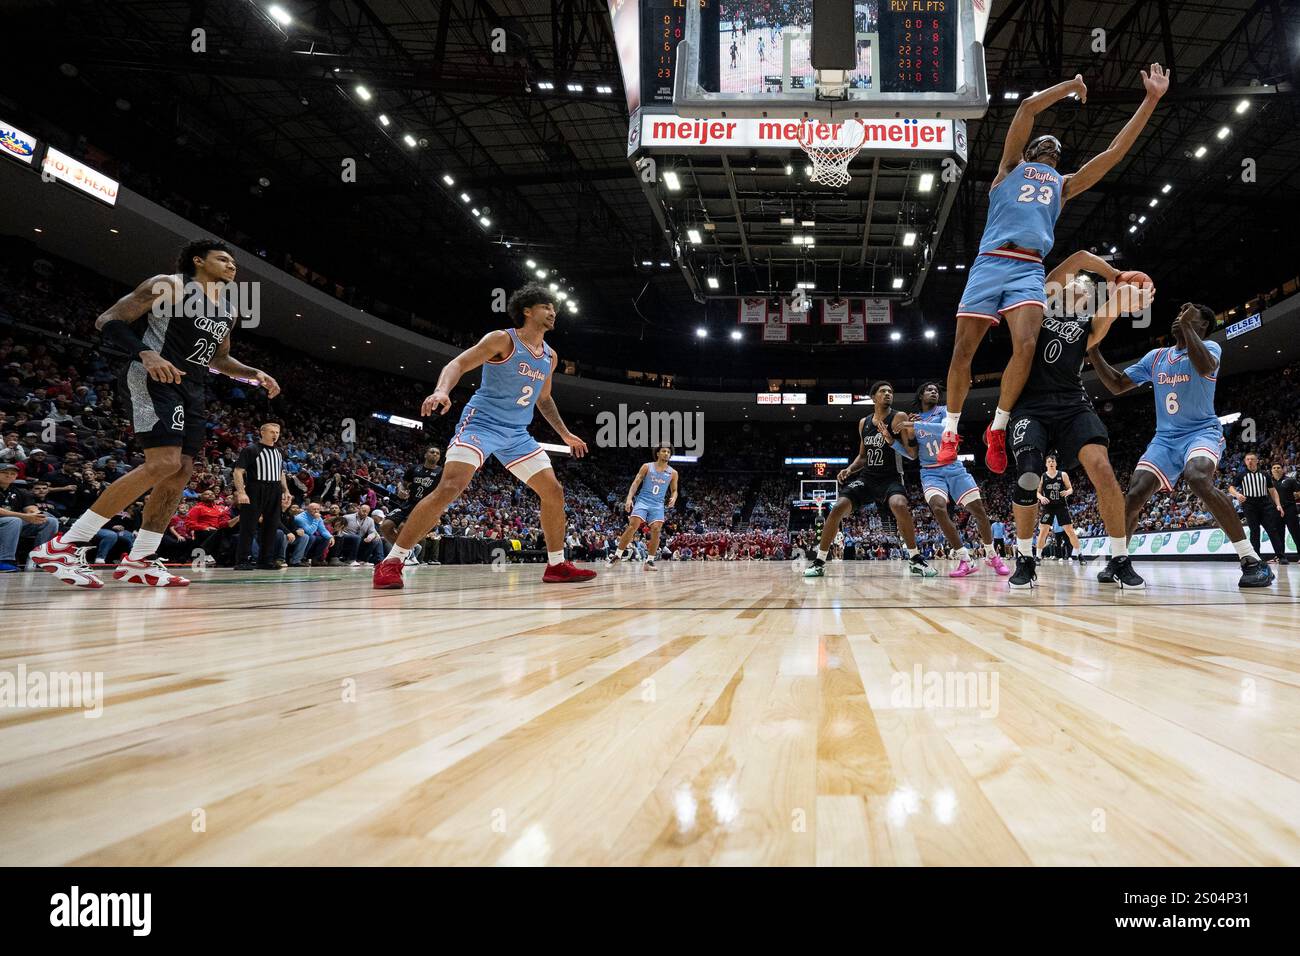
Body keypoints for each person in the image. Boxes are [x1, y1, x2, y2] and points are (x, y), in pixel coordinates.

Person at [938, 64, 1170, 474]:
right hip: (990, 261)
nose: (1051, 149)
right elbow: (1027, 108)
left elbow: (1113, 154)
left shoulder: (1063, 186)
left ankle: (998, 427)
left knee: (1026, 346)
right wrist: (1069, 87)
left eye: (1056, 150)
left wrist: (1150, 100)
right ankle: (951, 430)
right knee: (963, 351)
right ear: (1028, 153)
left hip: (1028, 267)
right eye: (1045, 145)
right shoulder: (1008, 170)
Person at [31, 239, 280, 588]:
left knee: (180, 472)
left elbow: (218, 358)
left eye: (234, 262)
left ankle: (140, 559)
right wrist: (146, 353)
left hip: (192, 388)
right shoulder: (169, 285)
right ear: (198, 260)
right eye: (222, 259)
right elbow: (109, 320)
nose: (231, 266)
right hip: (152, 378)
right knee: (163, 462)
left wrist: (253, 373)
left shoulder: (228, 308)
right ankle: (63, 545)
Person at [373, 284, 596, 588]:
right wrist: (442, 390)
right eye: (546, 306)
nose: (553, 312)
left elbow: (543, 399)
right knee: (451, 486)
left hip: (517, 434)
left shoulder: (550, 357)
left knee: (554, 492)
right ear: (527, 311)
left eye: (554, 308)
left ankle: (556, 565)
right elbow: (458, 364)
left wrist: (565, 433)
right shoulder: (502, 339)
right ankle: (393, 561)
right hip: (482, 425)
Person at [1089, 303, 1273, 587]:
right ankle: (1119, 558)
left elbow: (1205, 367)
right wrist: (1093, 351)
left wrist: (1187, 328)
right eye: (1179, 314)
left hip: (1201, 432)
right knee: (1135, 493)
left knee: (1198, 477)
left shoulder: (1211, 348)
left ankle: (1251, 559)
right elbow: (1116, 384)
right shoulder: (1157, 356)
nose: (1179, 316)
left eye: (1189, 316)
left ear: (1201, 326)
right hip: (1164, 439)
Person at [1005, 251, 1150, 590]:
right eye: (1077, 285)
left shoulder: (1090, 326)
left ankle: (1120, 556)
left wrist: (1126, 294)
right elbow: (1077, 259)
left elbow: (1113, 308)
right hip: (1031, 405)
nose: (1082, 287)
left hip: (1072, 403)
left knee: (1102, 468)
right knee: (1028, 476)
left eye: (1087, 288)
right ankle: (1025, 556)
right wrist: (1114, 273)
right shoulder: (1037, 309)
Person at [804, 381, 937, 578]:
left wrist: (911, 433)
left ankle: (915, 558)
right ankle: (820, 561)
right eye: (883, 391)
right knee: (838, 507)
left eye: (890, 391)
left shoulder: (898, 417)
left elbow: (912, 454)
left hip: (891, 477)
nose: (888, 394)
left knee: (899, 504)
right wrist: (849, 469)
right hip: (867, 478)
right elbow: (863, 456)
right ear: (873, 397)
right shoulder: (863, 423)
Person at [896, 382, 1011, 577]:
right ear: (920, 395)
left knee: (979, 511)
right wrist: (904, 436)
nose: (933, 392)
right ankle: (964, 558)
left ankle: (992, 555)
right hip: (930, 471)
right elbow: (913, 454)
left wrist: (914, 425)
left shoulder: (945, 411)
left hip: (953, 467)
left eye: (936, 390)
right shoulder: (913, 419)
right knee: (938, 508)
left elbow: (944, 430)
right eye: (929, 390)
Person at [608, 445, 678, 571]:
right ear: (658, 453)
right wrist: (629, 498)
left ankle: (649, 561)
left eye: (668, 452)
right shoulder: (647, 466)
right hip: (643, 501)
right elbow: (636, 482)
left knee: (656, 529)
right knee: (633, 525)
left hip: (658, 504)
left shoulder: (673, 473)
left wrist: (674, 497)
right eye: (664, 451)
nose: (666, 453)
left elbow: (674, 490)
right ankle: (617, 555)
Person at [233, 421, 291, 571]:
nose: (275, 435)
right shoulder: (251, 449)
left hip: (274, 489)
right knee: (249, 525)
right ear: (262, 433)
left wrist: (286, 490)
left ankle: (266, 560)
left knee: (271, 525)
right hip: (255, 487)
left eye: (277, 432)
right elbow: (238, 471)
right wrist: (241, 492)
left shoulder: (279, 452)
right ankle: (243, 560)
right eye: (272, 432)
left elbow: (280, 473)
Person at [1228, 452, 1287, 565]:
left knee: (1272, 530)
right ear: (1245, 462)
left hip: (1265, 504)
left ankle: (1281, 556)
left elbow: (1273, 491)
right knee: (1254, 532)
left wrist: (1278, 504)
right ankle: (1257, 557)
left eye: (1252, 459)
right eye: (1247, 459)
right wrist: (1237, 495)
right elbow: (1231, 488)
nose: (1250, 461)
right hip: (1249, 505)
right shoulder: (1241, 475)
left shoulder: (1265, 474)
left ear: (1257, 461)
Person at [0, 461, 59, 572]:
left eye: (12, 473)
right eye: (4, 473)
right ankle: (4, 560)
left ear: (16, 476)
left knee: (49, 521)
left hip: (12, 524)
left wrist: (35, 514)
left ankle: (38, 559)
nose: (9, 475)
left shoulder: (19, 491)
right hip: (9, 522)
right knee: (14, 520)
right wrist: (24, 516)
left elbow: (30, 507)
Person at [1035, 456, 1080, 560]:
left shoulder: (1063, 474)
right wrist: (1041, 497)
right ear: (1046, 464)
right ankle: (1037, 555)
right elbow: (1037, 492)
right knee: (1043, 531)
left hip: (1061, 506)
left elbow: (1070, 489)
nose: (1051, 463)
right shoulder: (1043, 476)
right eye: (1049, 461)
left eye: (1053, 461)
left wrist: (1067, 492)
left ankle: (1078, 553)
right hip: (1048, 507)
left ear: (1056, 463)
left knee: (1069, 530)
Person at [1272, 462, 1300, 562]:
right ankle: (1280, 557)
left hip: (1290, 510)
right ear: (1271, 470)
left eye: (1278, 467)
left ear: (1283, 469)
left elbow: (1298, 492)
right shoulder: (1269, 483)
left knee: (1296, 533)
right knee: (1279, 535)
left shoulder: (1290, 480)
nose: (1276, 469)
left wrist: (1295, 496)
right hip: (1276, 511)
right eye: (1274, 468)